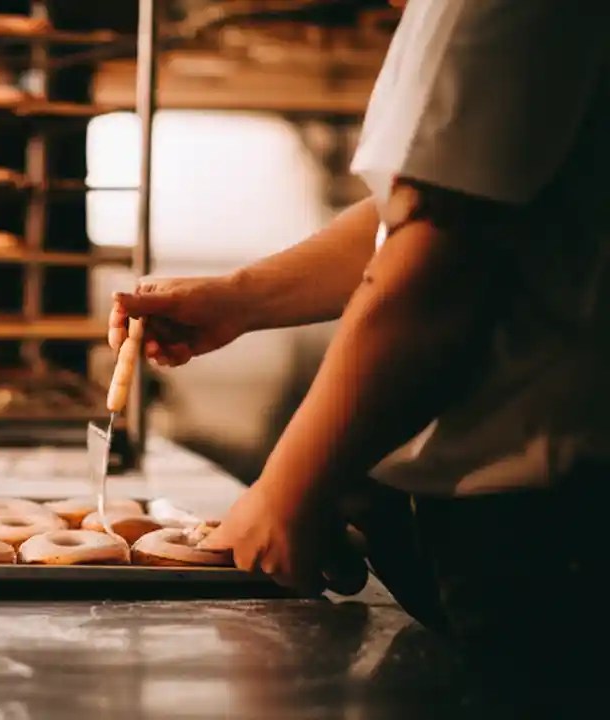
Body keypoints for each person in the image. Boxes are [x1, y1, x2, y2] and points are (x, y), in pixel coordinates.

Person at [109, 0, 609, 697]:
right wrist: (238, 298)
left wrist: (292, 489)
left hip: (546, 530)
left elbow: (438, 262)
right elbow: (418, 208)